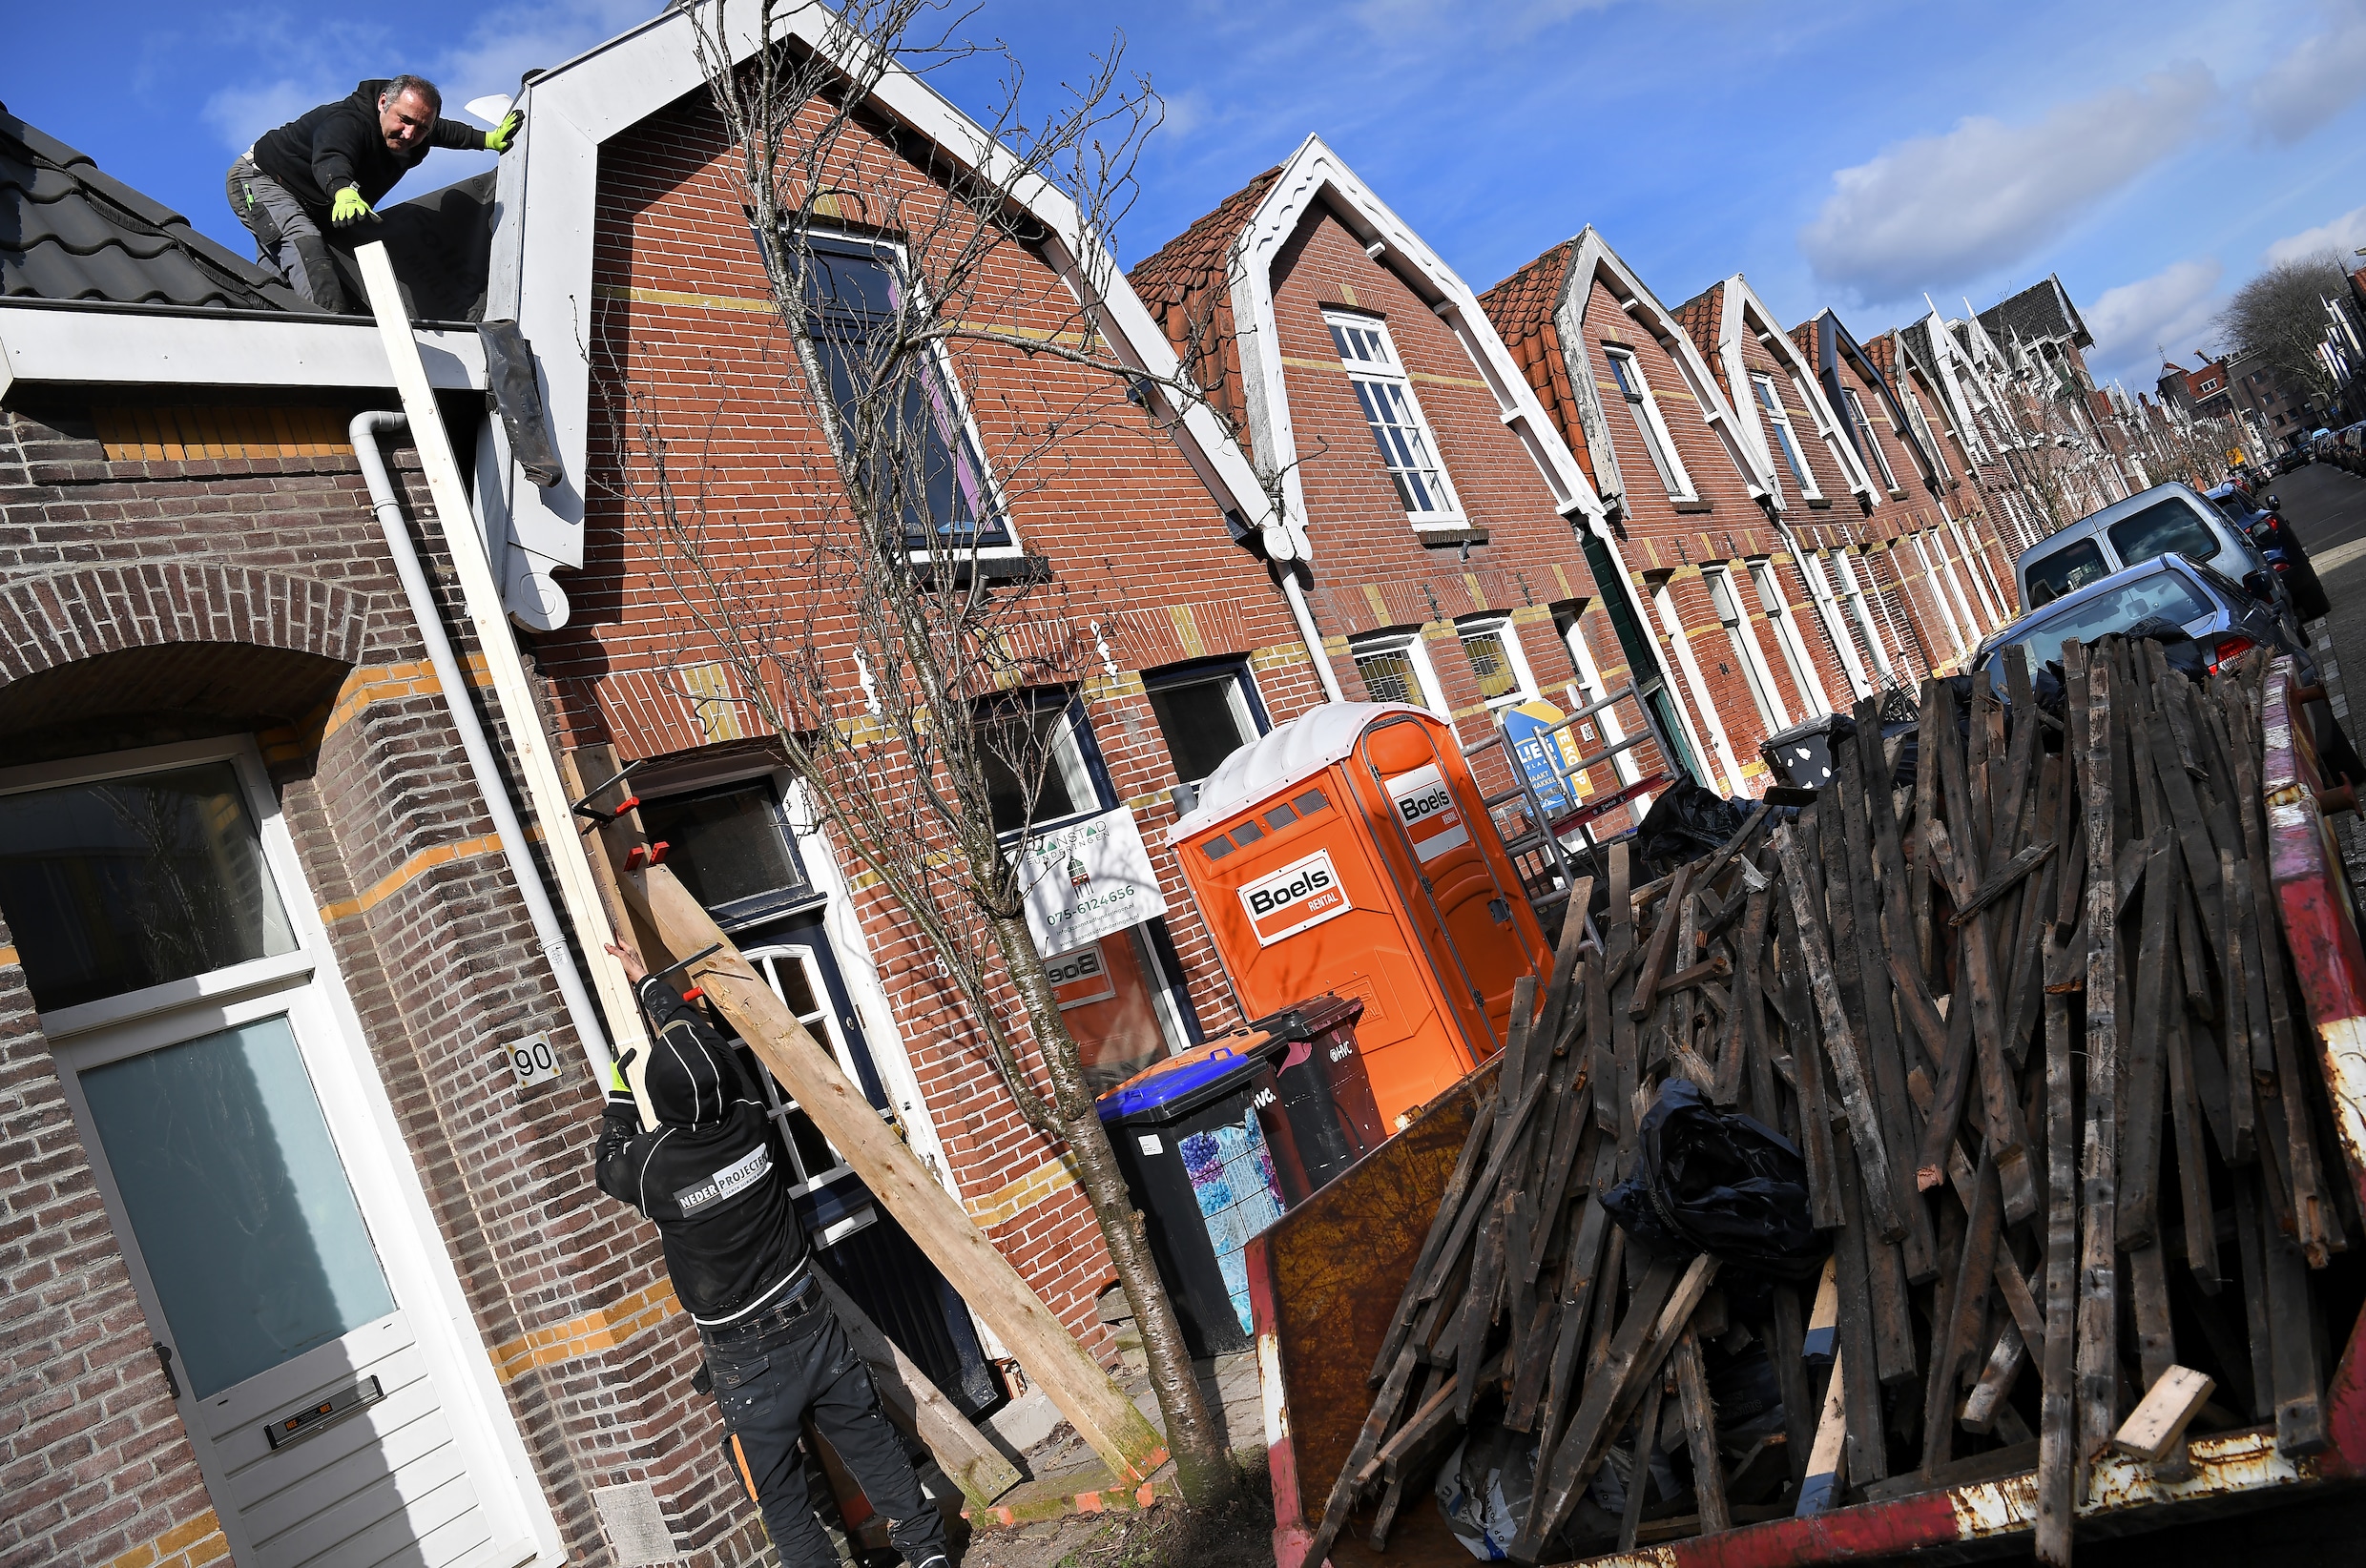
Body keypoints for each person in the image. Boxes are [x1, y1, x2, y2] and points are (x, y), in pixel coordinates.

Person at [593, 940, 950, 1568]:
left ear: (662, 1100)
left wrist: (620, 1099)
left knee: (784, 1502)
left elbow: (607, 1165)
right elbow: (699, 1042)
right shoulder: (751, 1119)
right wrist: (648, 981)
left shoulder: (653, 1168)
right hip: (811, 1321)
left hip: (746, 1360)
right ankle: (928, 1555)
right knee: (869, 1441)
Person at [226, 75, 521, 312]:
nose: (409, 134)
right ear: (382, 103)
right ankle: (328, 331)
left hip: (314, 203)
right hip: (263, 181)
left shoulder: (417, 126)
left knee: (283, 280)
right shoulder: (348, 122)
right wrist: (342, 190)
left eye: (421, 128)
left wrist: (487, 140)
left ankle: (273, 320)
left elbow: (446, 132)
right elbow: (332, 155)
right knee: (305, 247)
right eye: (404, 120)